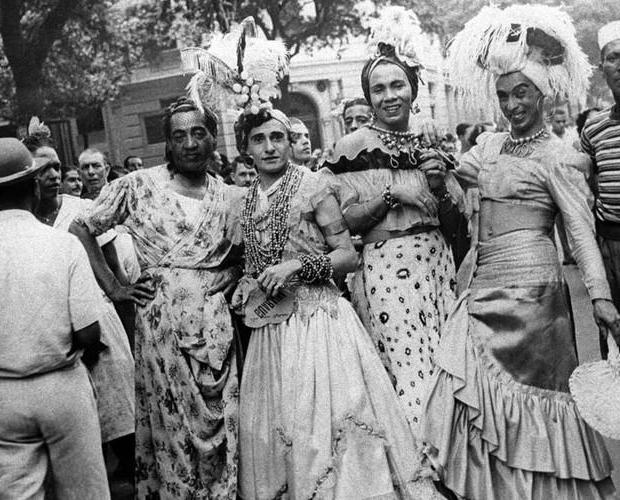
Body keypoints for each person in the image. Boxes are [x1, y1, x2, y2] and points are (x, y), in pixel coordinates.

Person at [422, 6, 620, 499]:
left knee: (533, 397)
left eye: (523, 93)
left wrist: (599, 296)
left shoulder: (559, 156)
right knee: (462, 393)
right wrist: (438, 180)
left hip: (535, 296)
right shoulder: (486, 147)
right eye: (504, 95)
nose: (513, 105)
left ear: (543, 93)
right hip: (481, 282)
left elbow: (579, 232)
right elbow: (457, 199)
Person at [233, 105, 443, 500]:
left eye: (277, 137)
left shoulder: (314, 187)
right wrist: (246, 284)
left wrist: (296, 266)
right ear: (246, 148)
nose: (270, 147)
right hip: (271, 330)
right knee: (280, 428)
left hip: (319, 322)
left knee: (329, 425)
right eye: (258, 140)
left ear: (290, 142)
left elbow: (347, 255)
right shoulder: (243, 201)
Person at [70, 97, 244, 498]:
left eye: (198, 133)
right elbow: (83, 227)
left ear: (213, 139)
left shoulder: (230, 196)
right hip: (162, 327)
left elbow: (243, 256)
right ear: (167, 143)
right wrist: (116, 288)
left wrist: (233, 273)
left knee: (227, 423)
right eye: (179, 135)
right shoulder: (137, 186)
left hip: (216, 328)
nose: (189, 143)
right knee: (173, 430)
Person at [325, 6, 463, 432]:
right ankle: (419, 470)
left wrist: (438, 189)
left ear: (412, 89)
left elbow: (459, 230)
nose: (390, 96)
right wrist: (389, 195)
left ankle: (453, 462)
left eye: (397, 85)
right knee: (409, 371)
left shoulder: (431, 143)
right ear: (369, 97)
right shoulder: (351, 148)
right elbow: (341, 224)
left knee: (446, 366)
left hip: (436, 266)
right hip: (385, 271)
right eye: (379, 88)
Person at [24, 128, 136, 487]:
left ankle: (129, 478)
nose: (55, 175)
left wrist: (119, 293)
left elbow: (113, 263)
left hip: (94, 317)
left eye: (57, 167)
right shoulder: (22, 220)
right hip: (51, 329)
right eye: (44, 170)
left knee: (117, 411)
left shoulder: (83, 210)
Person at [0, 137, 110, 499]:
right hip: (61, 384)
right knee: (84, 491)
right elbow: (89, 332)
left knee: (17, 493)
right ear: (33, 186)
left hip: (5, 395)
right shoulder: (60, 244)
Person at [581, 20, 620, 359]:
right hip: (611, 246)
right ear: (602, 67)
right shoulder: (593, 129)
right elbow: (587, 186)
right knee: (614, 338)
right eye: (613, 57)